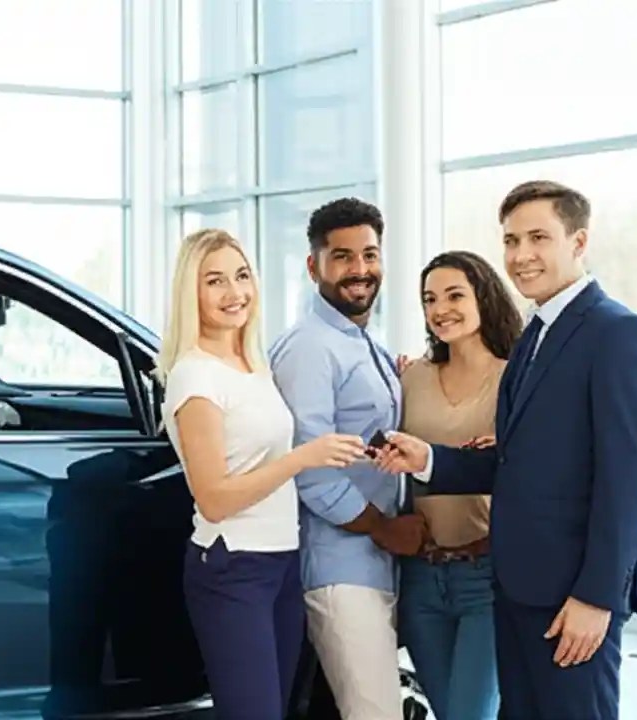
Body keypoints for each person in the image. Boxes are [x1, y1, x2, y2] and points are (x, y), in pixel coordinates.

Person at [374, 180, 637, 720]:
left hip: (572, 598)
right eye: (510, 241)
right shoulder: (534, 337)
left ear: (578, 242)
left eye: (538, 238)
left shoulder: (617, 334)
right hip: (517, 590)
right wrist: (430, 460)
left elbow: (629, 481)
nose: (521, 256)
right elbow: (516, 463)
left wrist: (597, 597)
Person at [155, 228, 367, 720]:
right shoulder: (194, 375)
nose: (235, 293)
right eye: (215, 281)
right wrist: (301, 458)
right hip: (233, 567)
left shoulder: (253, 363)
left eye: (242, 276)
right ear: (192, 293)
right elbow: (213, 499)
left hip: (281, 561)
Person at [269, 198, 428, 720]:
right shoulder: (310, 348)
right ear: (314, 266)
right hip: (340, 568)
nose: (360, 270)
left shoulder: (366, 345)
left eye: (370, 254)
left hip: (379, 567)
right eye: (342, 257)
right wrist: (384, 528)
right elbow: (309, 471)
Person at [396, 251, 523, 720]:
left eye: (454, 295)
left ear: (483, 298)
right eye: (430, 299)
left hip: (486, 574)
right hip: (422, 575)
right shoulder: (410, 377)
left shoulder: (516, 378)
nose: (440, 308)